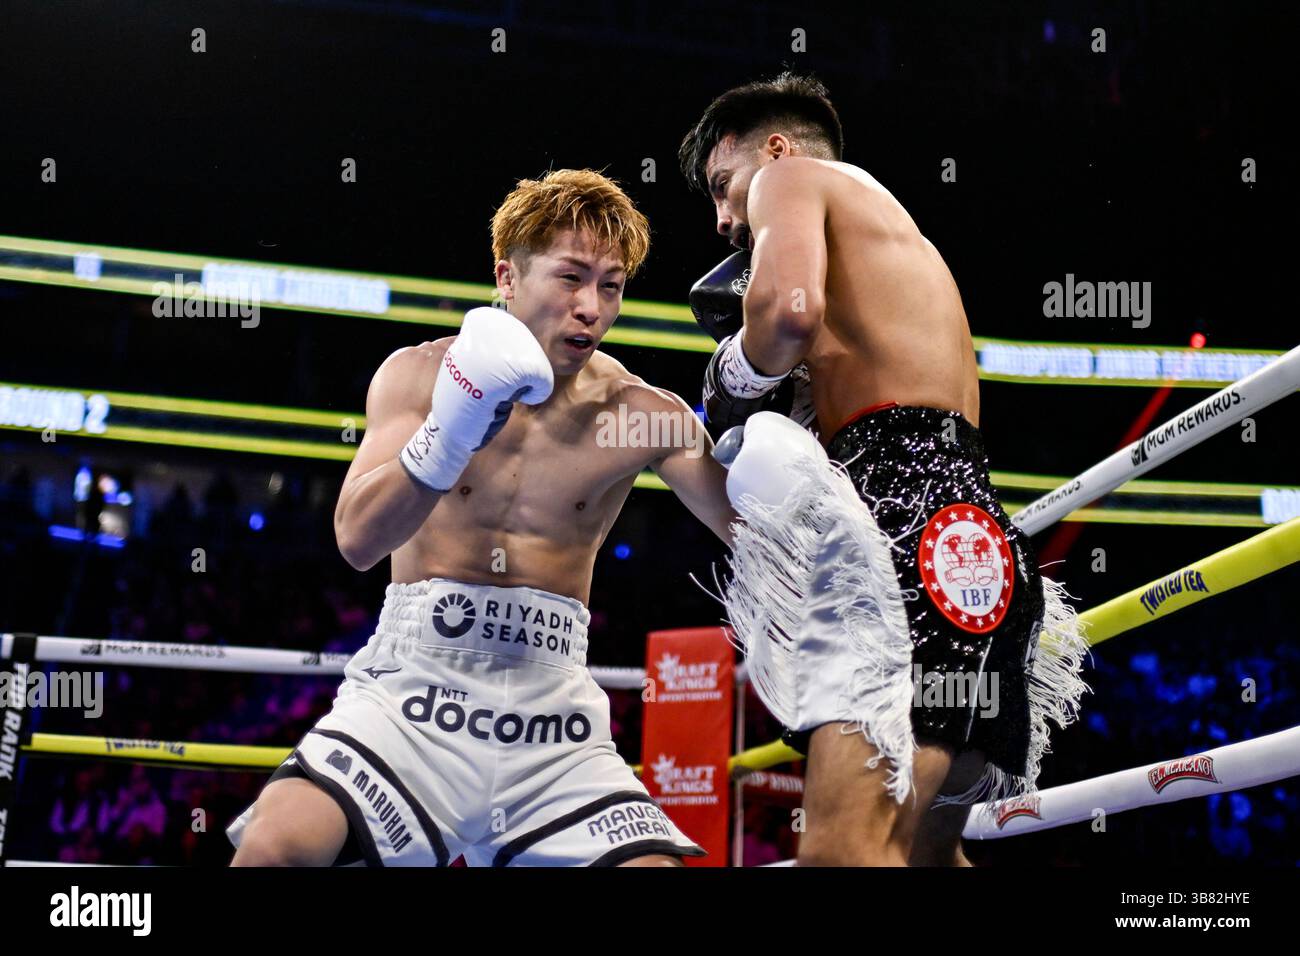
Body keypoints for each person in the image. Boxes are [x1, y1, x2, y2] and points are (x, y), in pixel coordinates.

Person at [228, 169, 736, 866]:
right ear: (507, 275)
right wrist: (449, 431)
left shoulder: (643, 415)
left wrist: (782, 430)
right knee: (276, 845)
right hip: (410, 696)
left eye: (611, 285)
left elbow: (751, 533)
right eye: (571, 277)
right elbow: (355, 540)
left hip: (553, 720)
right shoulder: (416, 375)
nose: (591, 306)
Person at [679, 73, 1089, 866]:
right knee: (928, 854)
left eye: (723, 187)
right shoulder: (891, 242)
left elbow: (787, 312)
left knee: (841, 851)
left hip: (896, 538)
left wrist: (730, 378)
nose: (725, 219)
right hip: (973, 545)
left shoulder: (793, 179)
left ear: (773, 149)